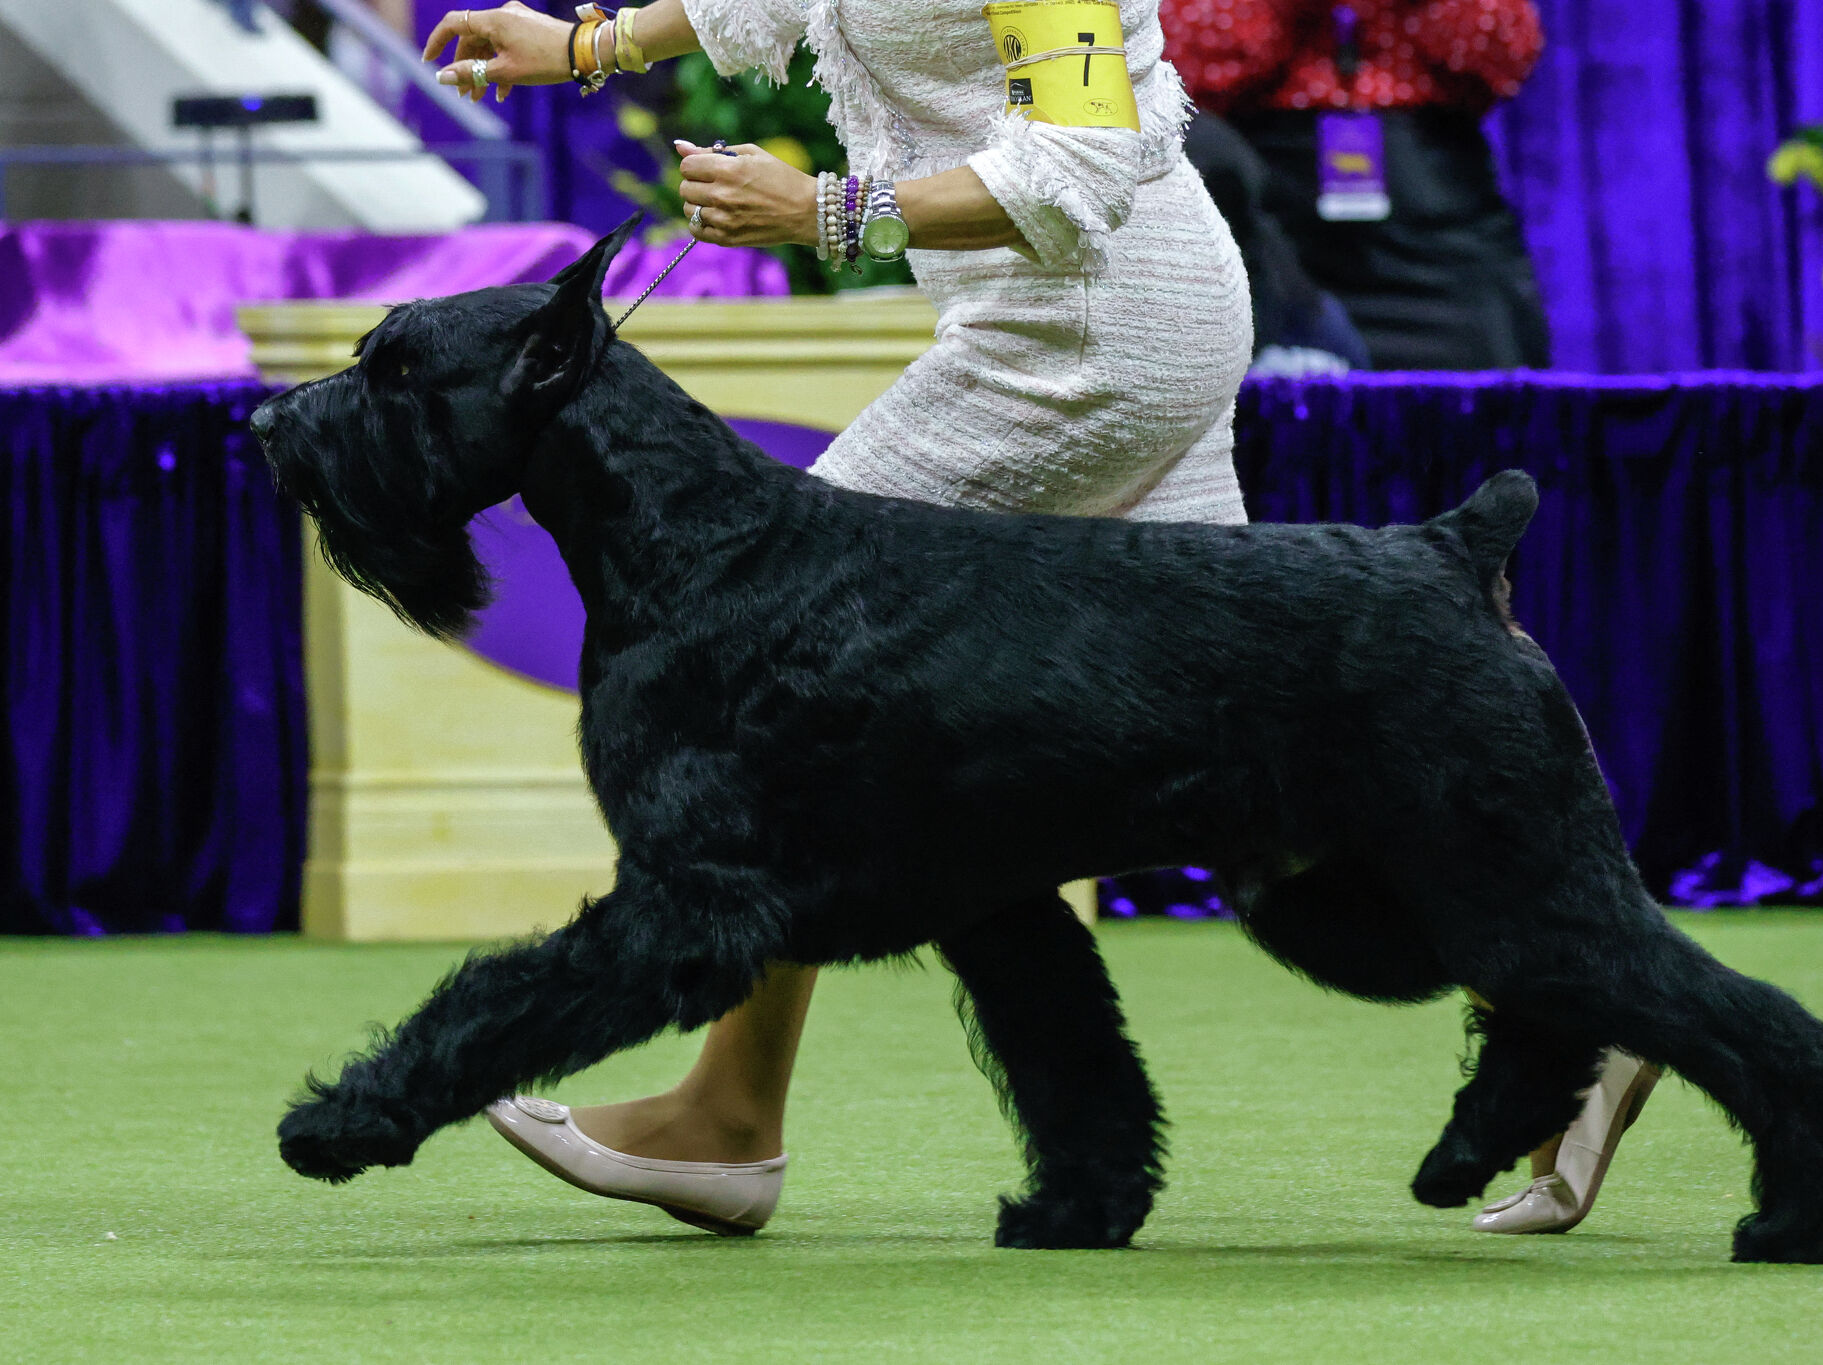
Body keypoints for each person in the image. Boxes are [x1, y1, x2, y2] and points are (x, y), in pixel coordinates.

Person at [421, 0, 1252, 1233]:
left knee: (775, 665)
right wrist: (589, 47)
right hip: (1098, 323)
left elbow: (1073, 166)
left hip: (1086, 339)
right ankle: (1576, 1001)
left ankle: (727, 1119)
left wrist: (821, 214)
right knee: (1262, 738)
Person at [1159, 0, 1552, 369]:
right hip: (1276, 237)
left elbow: (1505, 53)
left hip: (1436, 229)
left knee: (1489, 415)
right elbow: (1177, 69)